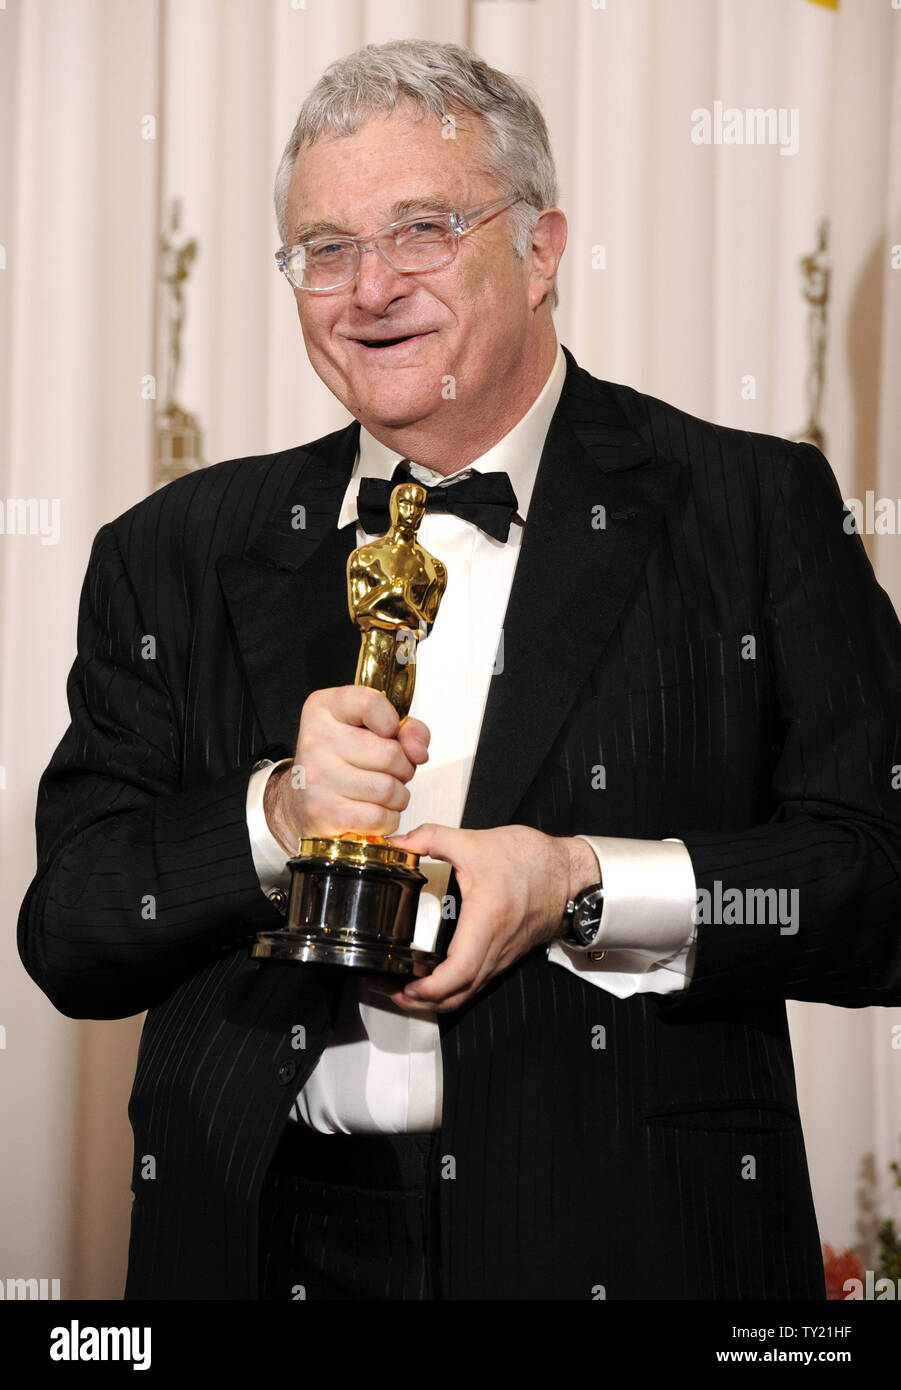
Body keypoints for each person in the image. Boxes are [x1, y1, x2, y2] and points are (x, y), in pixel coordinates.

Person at [18, 39, 901, 1302]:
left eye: (422, 230)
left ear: (541, 251)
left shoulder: (754, 508)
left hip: (627, 1240)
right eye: (324, 248)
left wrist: (582, 882)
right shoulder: (171, 551)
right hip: (255, 1243)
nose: (368, 287)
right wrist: (272, 817)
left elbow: (880, 876)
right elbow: (71, 931)